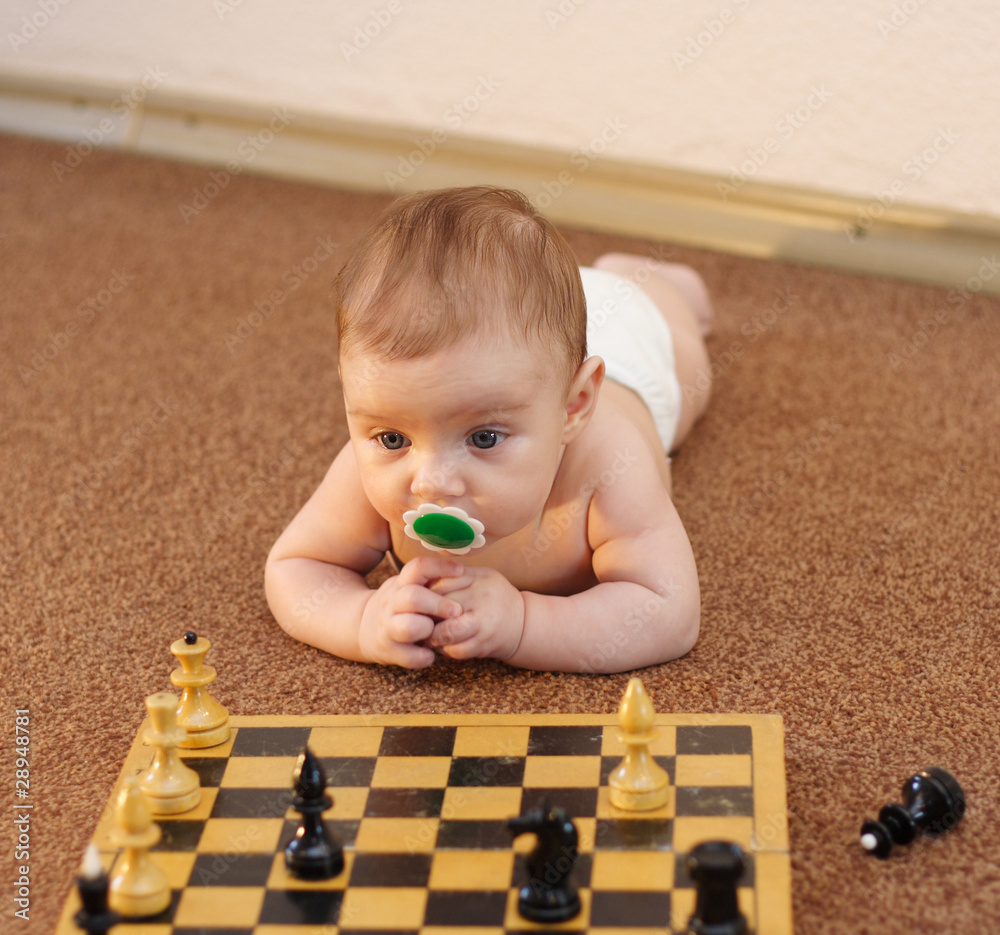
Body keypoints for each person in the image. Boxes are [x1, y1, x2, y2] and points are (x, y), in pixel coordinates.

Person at [265, 186, 713, 672]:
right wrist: (361, 618)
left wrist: (525, 623)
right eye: (394, 438)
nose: (431, 481)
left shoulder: (605, 466)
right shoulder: (367, 465)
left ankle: (658, 285)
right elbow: (297, 566)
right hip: (528, 348)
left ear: (574, 407)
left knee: (685, 355)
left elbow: (668, 610)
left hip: (630, 347)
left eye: (484, 438)